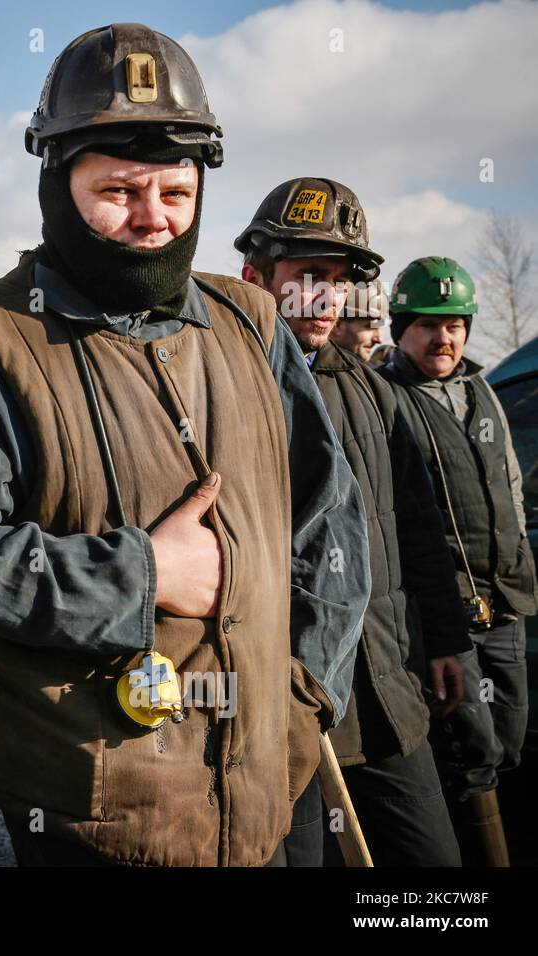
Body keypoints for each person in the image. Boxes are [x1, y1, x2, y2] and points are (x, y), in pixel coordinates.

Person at [0, 23, 370, 866]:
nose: (152, 220)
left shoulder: (252, 324)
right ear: (56, 180)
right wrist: (143, 575)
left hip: (260, 787)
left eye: (175, 195)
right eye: (118, 192)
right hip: (95, 811)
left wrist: (309, 694)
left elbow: (331, 518)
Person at [238, 178, 470, 866]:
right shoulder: (222, 387)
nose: (324, 297)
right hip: (282, 711)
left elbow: (421, 527)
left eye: (338, 281)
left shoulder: (376, 393)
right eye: (307, 275)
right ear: (257, 277)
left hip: (389, 694)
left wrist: (445, 640)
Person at [377, 256, 537, 866]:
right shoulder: (387, 398)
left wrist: (519, 548)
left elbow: (511, 484)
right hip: (445, 615)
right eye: (428, 326)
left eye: (454, 326)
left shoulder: (485, 392)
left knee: (510, 737)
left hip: (507, 602)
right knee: (469, 749)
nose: (444, 338)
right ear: (401, 329)